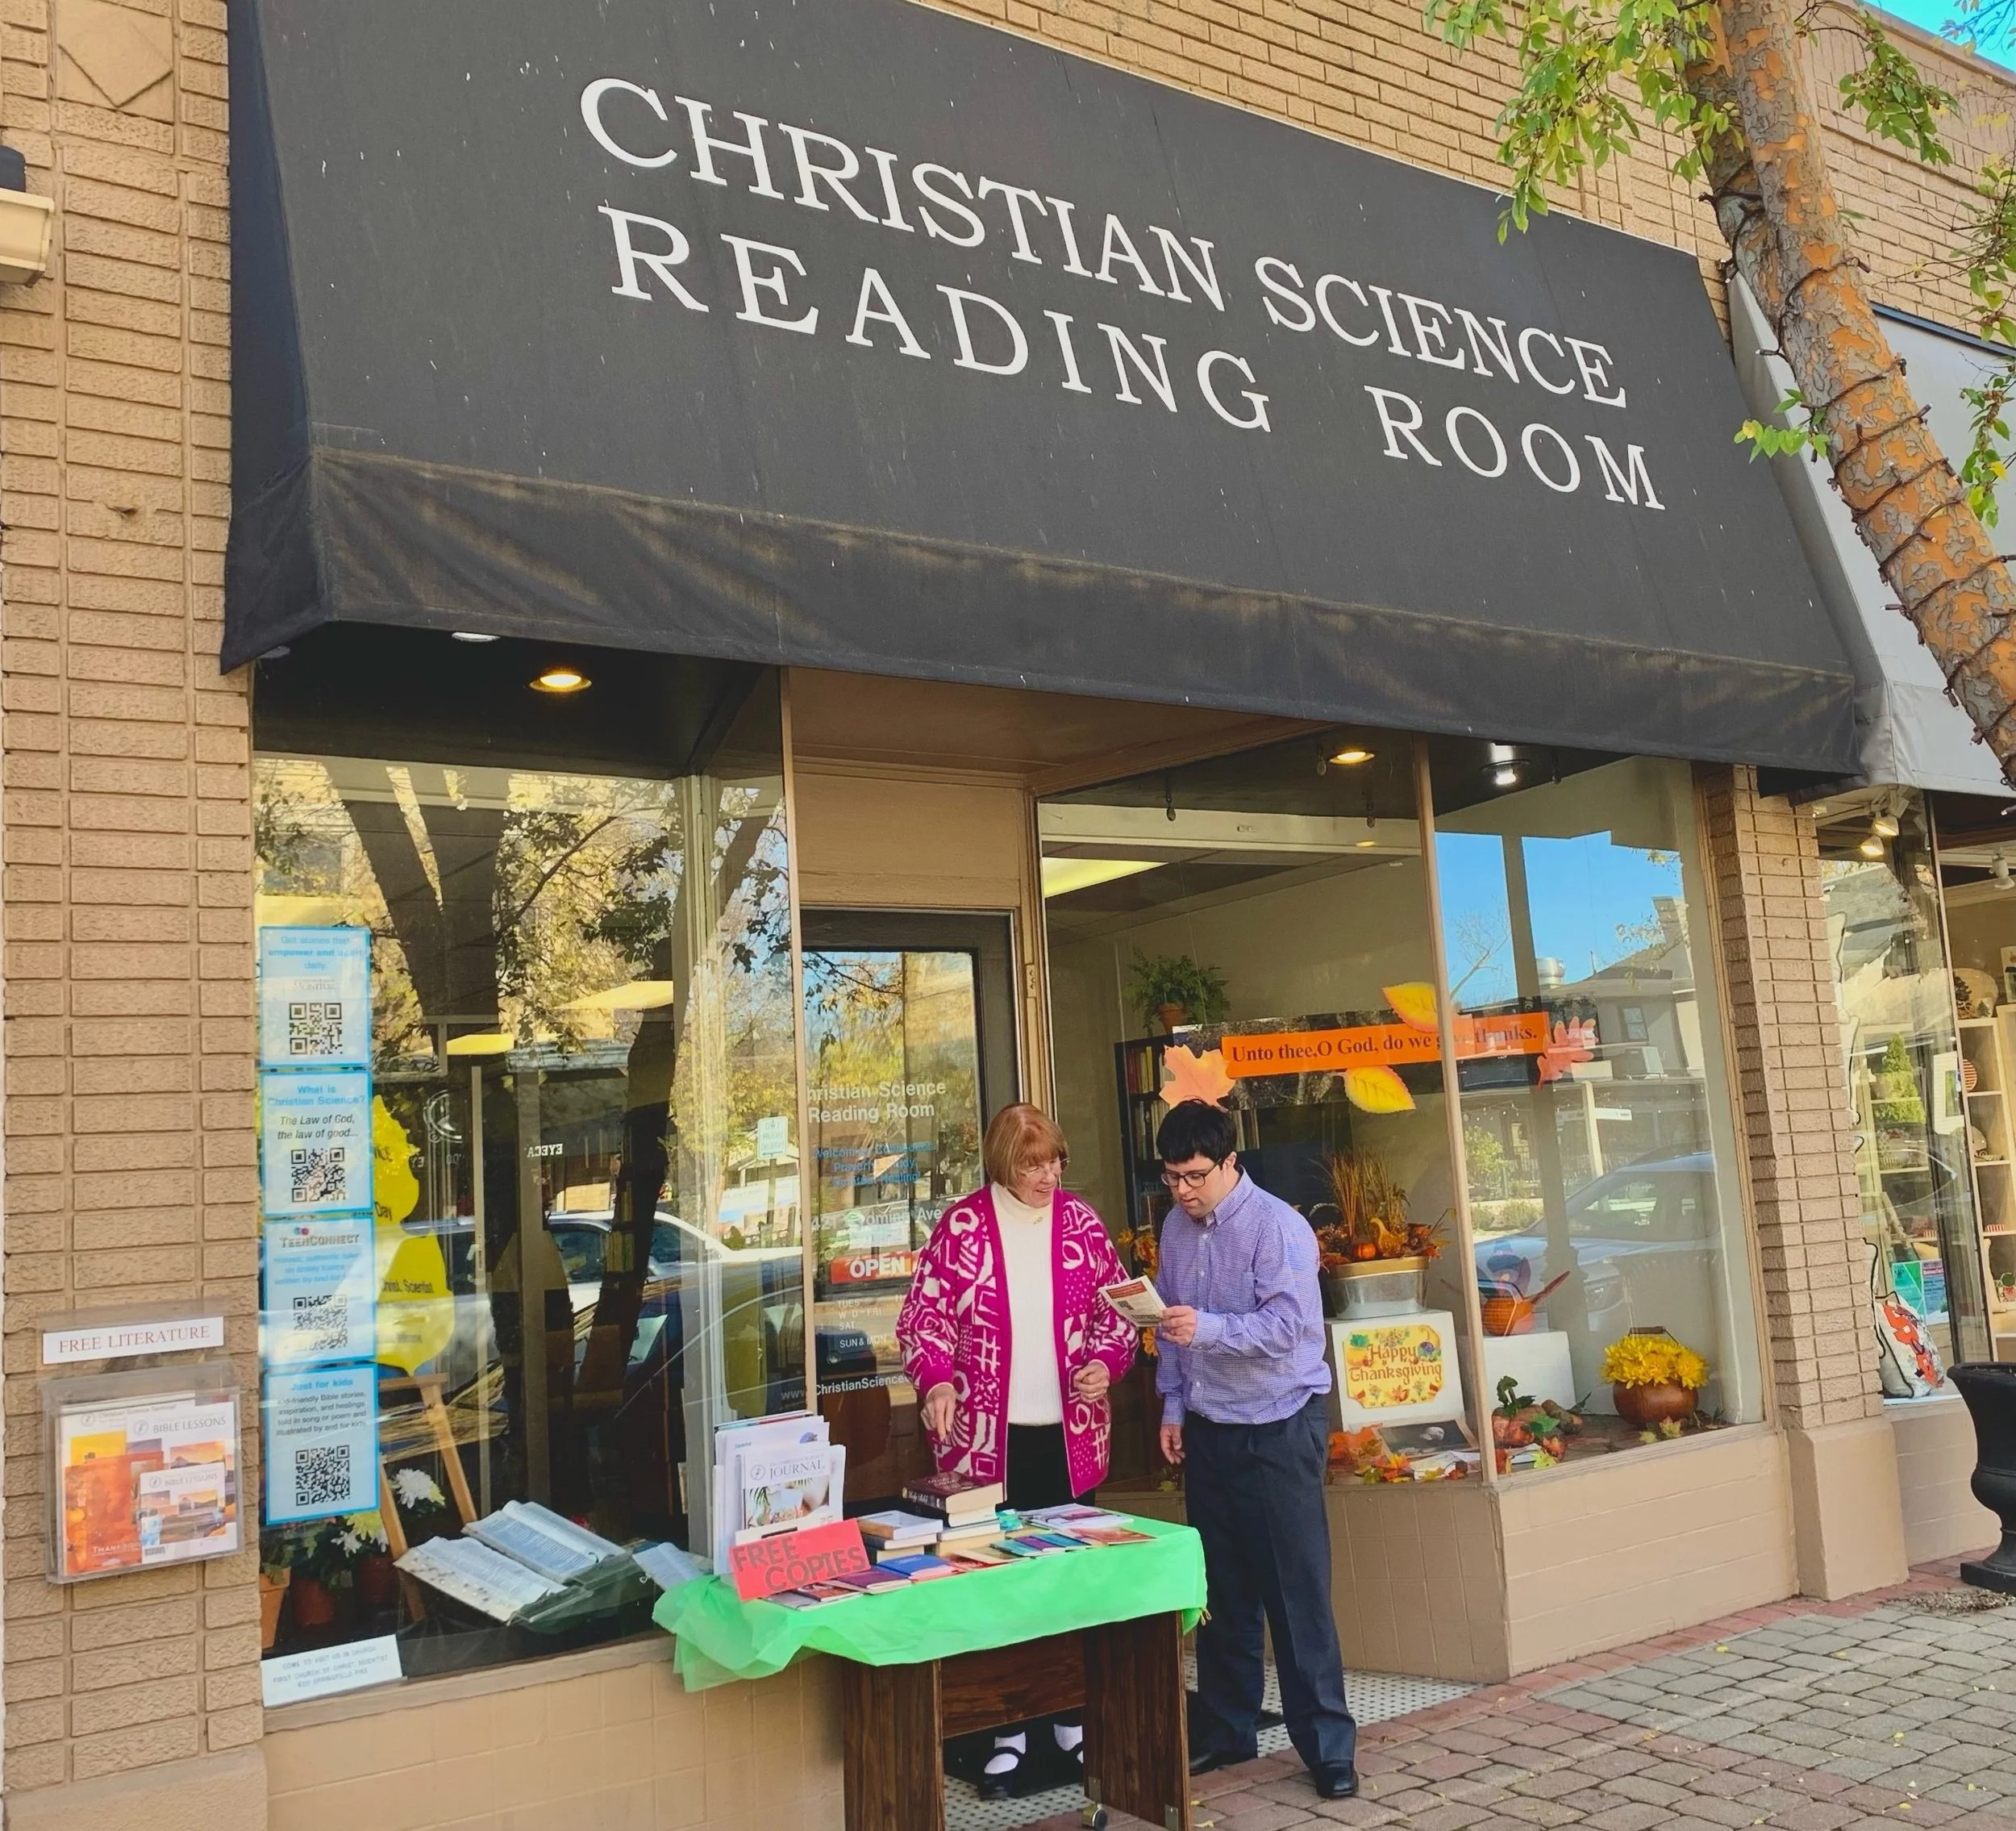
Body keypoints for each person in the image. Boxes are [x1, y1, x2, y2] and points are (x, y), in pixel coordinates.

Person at [897, 1102, 1137, 1799]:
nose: (1048, 1174)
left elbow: (1118, 1309)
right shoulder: (964, 1226)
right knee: (999, 1580)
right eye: (1033, 1163)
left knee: (1065, 1580)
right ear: (1005, 1163)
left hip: (1069, 1438)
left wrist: (1105, 1362)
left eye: (1056, 1160)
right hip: (988, 1446)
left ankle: (1067, 1719)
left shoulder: (1082, 1223)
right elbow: (925, 1314)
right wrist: (937, 1381)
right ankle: (1006, 1729)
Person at [1154, 1098, 1359, 1802]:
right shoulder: (1175, 1231)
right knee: (1223, 1593)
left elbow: (1290, 1331)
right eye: (1171, 1177)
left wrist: (1205, 1330)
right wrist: (1174, 1406)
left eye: (1195, 1175)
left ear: (1231, 1162)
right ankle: (1227, 1727)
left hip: (1280, 1425)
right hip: (1211, 1429)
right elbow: (1167, 1329)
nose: (1182, 1190)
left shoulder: (1280, 1227)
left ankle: (1328, 1747)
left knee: (1296, 1593)